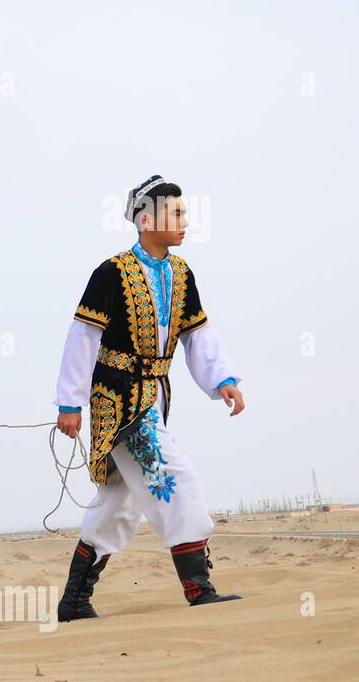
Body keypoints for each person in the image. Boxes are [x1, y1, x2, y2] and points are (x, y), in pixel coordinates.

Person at [53, 175, 246, 620]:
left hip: (154, 396)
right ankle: (198, 588)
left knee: (119, 504)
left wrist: (222, 380)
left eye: (183, 212)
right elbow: (83, 337)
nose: (185, 222)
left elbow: (197, 337)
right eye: (176, 213)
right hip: (119, 403)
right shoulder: (111, 272)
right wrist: (69, 403)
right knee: (176, 478)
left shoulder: (181, 274)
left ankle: (74, 600)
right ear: (146, 219)